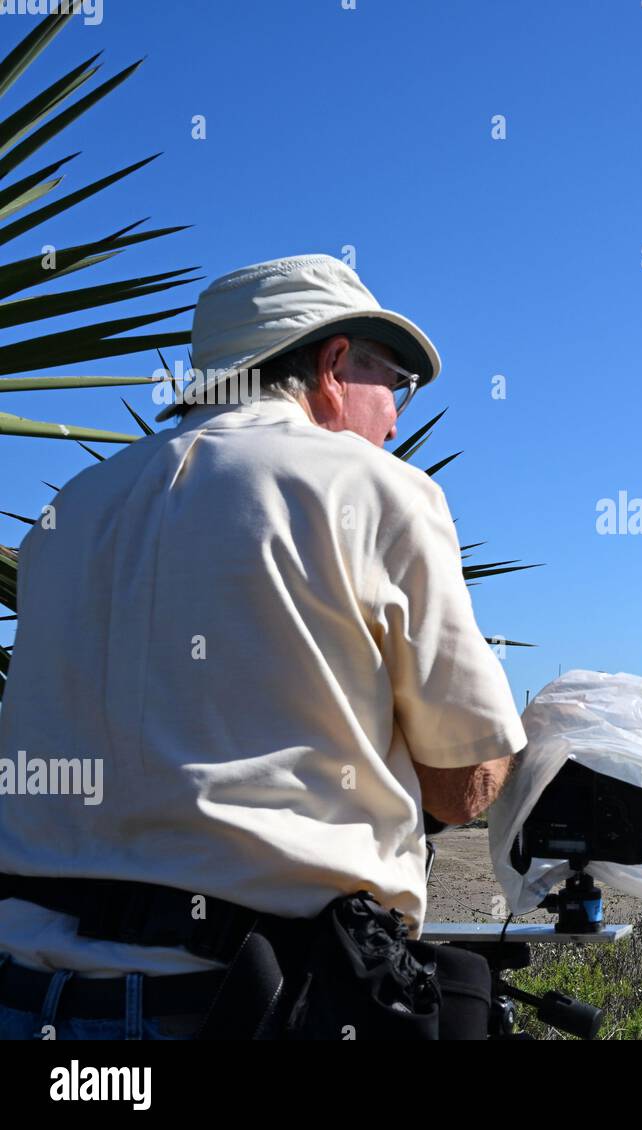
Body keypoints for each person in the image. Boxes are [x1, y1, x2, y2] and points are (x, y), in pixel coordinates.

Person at [0, 254, 526, 1039]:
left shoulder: (70, 513)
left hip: (29, 996)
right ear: (334, 363)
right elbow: (461, 787)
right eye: (396, 385)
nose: (396, 419)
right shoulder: (372, 489)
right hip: (253, 1003)